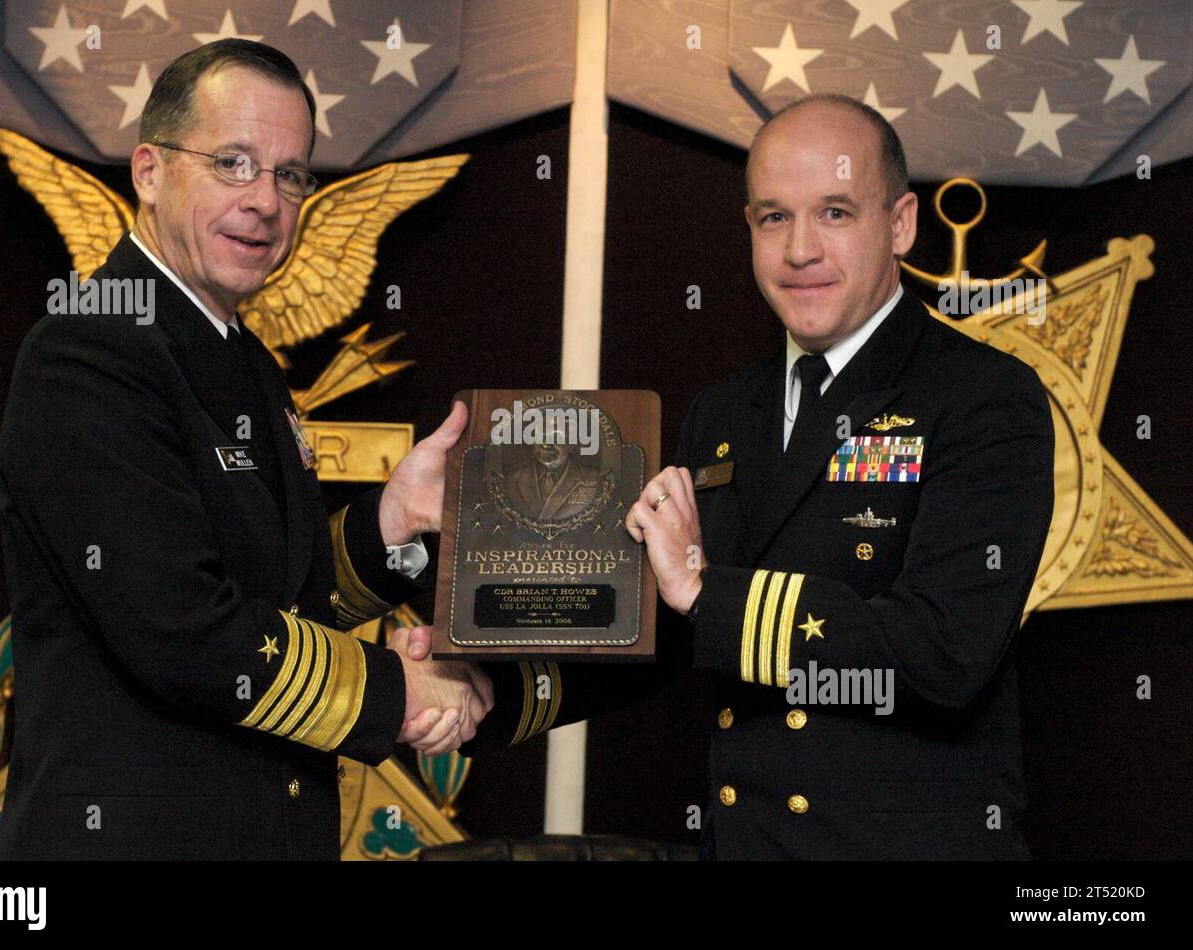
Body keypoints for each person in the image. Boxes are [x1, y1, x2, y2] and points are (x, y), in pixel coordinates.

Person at [451, 94, 1055, 860]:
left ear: (900, 224)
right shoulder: (725, 411)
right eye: (774, 217)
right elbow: (669, 635)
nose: (800, 249)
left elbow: (943, 656)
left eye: (835, 212)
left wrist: (706, 588)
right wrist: (493, 694)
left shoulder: (982, 397)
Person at [0, 40, 489, 860]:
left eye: (290, 174)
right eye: (232, 163)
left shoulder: (244, 362)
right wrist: (400, 693)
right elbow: (185, 630)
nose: (265, 200)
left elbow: (278, 601)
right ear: (148, 172)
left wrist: (391, 522)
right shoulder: (88, 354)